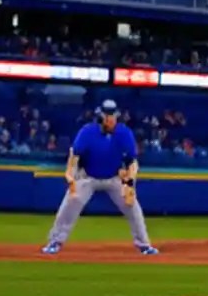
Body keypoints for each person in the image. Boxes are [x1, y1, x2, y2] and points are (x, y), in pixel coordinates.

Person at [41, 99, 158, 255]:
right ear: (101, 116)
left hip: (114, 177)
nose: (111, 119)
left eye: (113, 116)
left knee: (132, 206)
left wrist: (130, 183)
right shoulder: (87, 132)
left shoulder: (124, 133)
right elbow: (74, 156)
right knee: (71, 202)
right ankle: (55, 241)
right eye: (108, 116)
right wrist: (70, 176)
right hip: (88, 176)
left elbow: (132, 162)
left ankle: (144, 244)